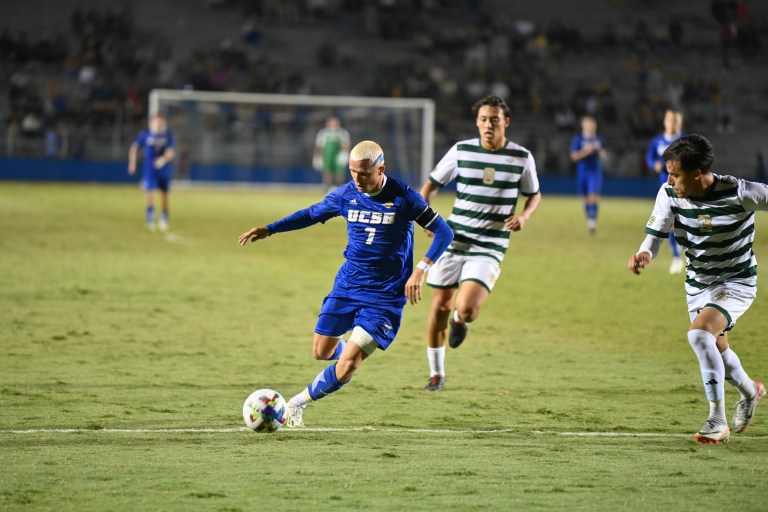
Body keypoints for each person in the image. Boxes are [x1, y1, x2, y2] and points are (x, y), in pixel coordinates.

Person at [238, 140, 453, 426]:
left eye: (363, 173)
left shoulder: (404, 197)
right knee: (321, 352)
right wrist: (271, 229)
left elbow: (444, 232)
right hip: (348, 286)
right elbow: (311, 214)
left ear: (381, 169)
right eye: (352, 172)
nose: (357, 179)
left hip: (385, 296)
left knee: (348, 363)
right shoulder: (346, 195)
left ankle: (296, 404)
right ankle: (347, 357)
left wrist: (421, 269)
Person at [628, 134, 766, 444]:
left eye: (675, 174)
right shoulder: (669, 194)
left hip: (736, 282)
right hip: (698, 285)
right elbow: (656, 233)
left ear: (696, 174)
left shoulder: (739, 192)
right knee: (719, 352)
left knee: (699, 335)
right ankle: (751, 391)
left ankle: (716, 419)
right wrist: (645, 253)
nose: (669, 179)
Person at [419, 95, 542, 392]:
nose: (489, 125)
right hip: (454, 237)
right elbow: (432, 185)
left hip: (490, 245)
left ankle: (462, 321)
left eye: (495, 120)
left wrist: (524, 216)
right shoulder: (461, 151)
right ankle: (437, 375)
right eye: (484, 120)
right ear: (477, 122)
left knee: (468, 308)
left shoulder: (521, 158)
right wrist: (425, 217)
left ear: (506, 122)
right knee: (440, 305)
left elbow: (534, 194)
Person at [646, 108, 685, 274]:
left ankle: (686, 249)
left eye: (674, 119)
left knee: (683, 221)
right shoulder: (658, 141)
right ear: (665, 121)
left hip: (683, 186)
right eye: (669, 119)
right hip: (665, 186)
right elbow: (649, 157)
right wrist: (654, 164)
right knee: (669, 223)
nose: (671, 122)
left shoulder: (683, 139)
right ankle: (676, 257)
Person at [128, 113, 176, 232]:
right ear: (153, 122)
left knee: (164, 193)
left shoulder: (168, 135)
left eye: (160, 121)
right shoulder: (145, 135)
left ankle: (164, 215)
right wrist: (132, 163)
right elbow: (134, 148)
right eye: (156, 120)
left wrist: (163, 159)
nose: (158, 123)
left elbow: (171, 151)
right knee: (149, 191)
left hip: (164, 169)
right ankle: (150, 213)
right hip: (150, 169)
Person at [570, 115, 605, 235]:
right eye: (588, 124)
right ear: (583, 125)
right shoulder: (578, 139)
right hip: (582, 171)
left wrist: (601, 153)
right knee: (585, 197)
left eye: (592, 124)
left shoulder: (599, 139)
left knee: (593, 195)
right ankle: (590, 218)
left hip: (594, 171)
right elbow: (573, 156)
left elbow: (602, 152)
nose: (591, 126)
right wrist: (586, 151)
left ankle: (592, 220)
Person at [313, 116, 351, 191]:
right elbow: (319, 146)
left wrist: (345, 155)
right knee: (327, 172)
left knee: (339, 172)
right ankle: (327, 187)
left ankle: (339, 188)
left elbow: (346, 145)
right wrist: (317, 156)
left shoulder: (342, 133)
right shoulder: (323, 133)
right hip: (327, 156)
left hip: (338, 155)